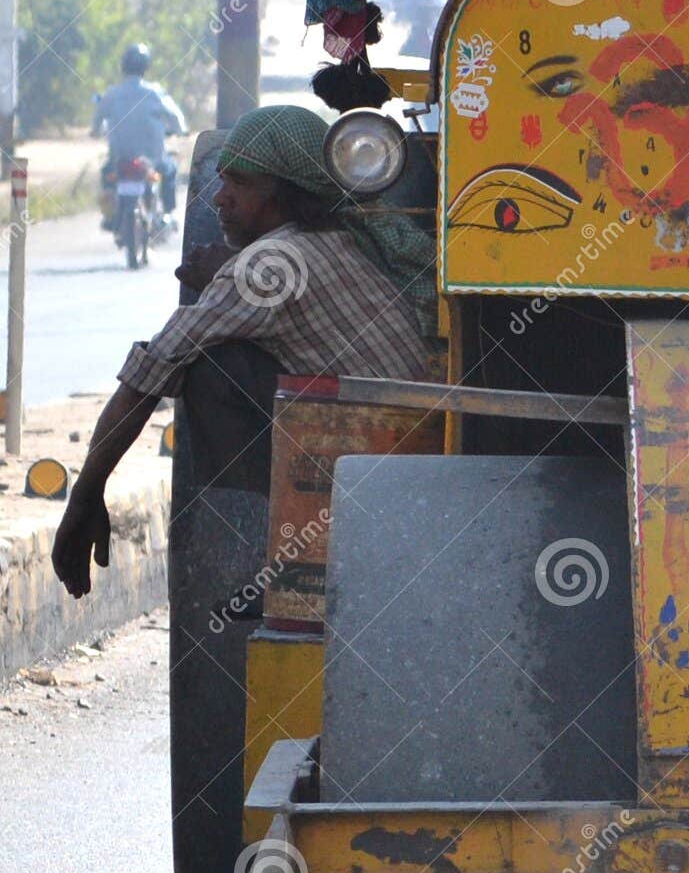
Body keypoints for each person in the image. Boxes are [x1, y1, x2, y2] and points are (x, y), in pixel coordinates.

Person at [52, 106, 436, 599]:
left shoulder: (258, 268)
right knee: (225, 350)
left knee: (208, 368)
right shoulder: (335, 240)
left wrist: (85, 495)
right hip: (411, 457)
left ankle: (272, 548)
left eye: (238, 185)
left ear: (280, 193)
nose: (219, 199)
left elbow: (149, 373)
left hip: (368, 479)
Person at [92, 43, 185, 222]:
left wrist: (94, 131)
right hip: (152, 159)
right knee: (170, 169)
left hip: (119, 158)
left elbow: (97, 119)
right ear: (146, 67)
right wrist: (182, 131)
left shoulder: (112, 94)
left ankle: (110, 216)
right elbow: (174, 115)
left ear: (123, 66)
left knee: (106, 174)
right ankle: (167, 213)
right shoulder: (155, 92)